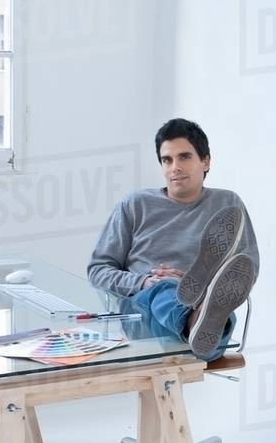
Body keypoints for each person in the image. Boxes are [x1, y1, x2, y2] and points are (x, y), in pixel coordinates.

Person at [87, 118, 259, 360]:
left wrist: (201, 286)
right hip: (144, 320)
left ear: (206, 161)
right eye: (167, 160)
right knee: (165, 288)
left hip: (205, 320)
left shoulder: (227, 204)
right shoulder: (136, 205)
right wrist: (143, 281)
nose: (174, 167)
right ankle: (194, 320)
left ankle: (201, 312)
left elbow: (247, 266)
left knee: (220, 311)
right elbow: (97, 270)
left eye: (184, 157)